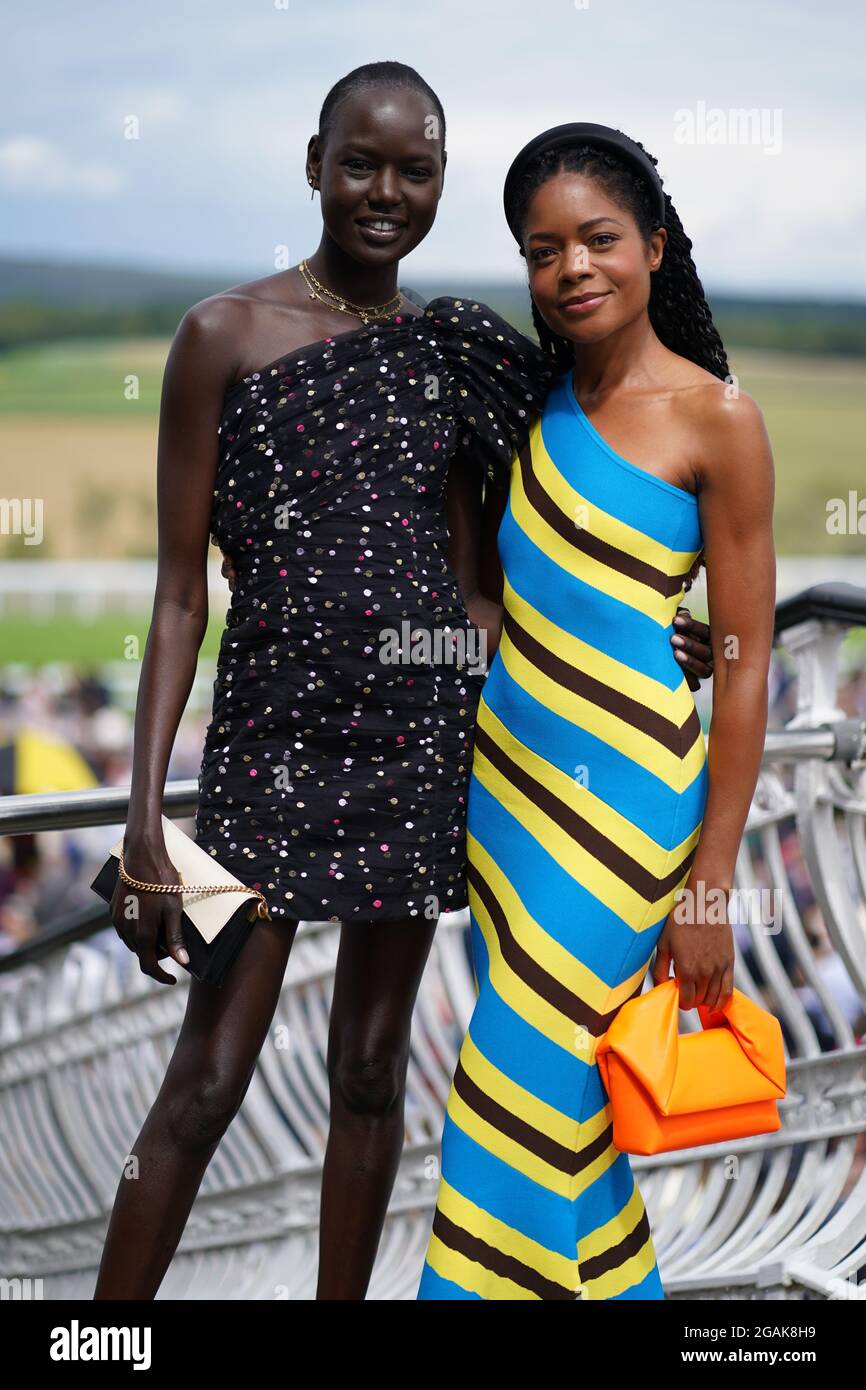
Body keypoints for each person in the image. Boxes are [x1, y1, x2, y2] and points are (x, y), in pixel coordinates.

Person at [95, 74, 712, 1301]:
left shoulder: (453, 351)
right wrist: (145, 815)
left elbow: (562, 502)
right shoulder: (222, 334)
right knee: (206, 1080)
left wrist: (657, 619)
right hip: (271, 748)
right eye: (361, 166)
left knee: (371, 1073)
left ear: (440, 182)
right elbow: (177, 593)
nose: (387, 194)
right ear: (313, 161)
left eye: (415, 172)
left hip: (421, 750)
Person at [417, 123, 775, 1301]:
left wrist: (710, 883)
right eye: (540, 249)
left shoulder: (717, 415)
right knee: (561, 1110)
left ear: (654, 247)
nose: (569, 267)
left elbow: (743, 658)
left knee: (503, 1084)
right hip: (506, 804)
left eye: (597, 239)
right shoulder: (526, 406)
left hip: (625, 816)